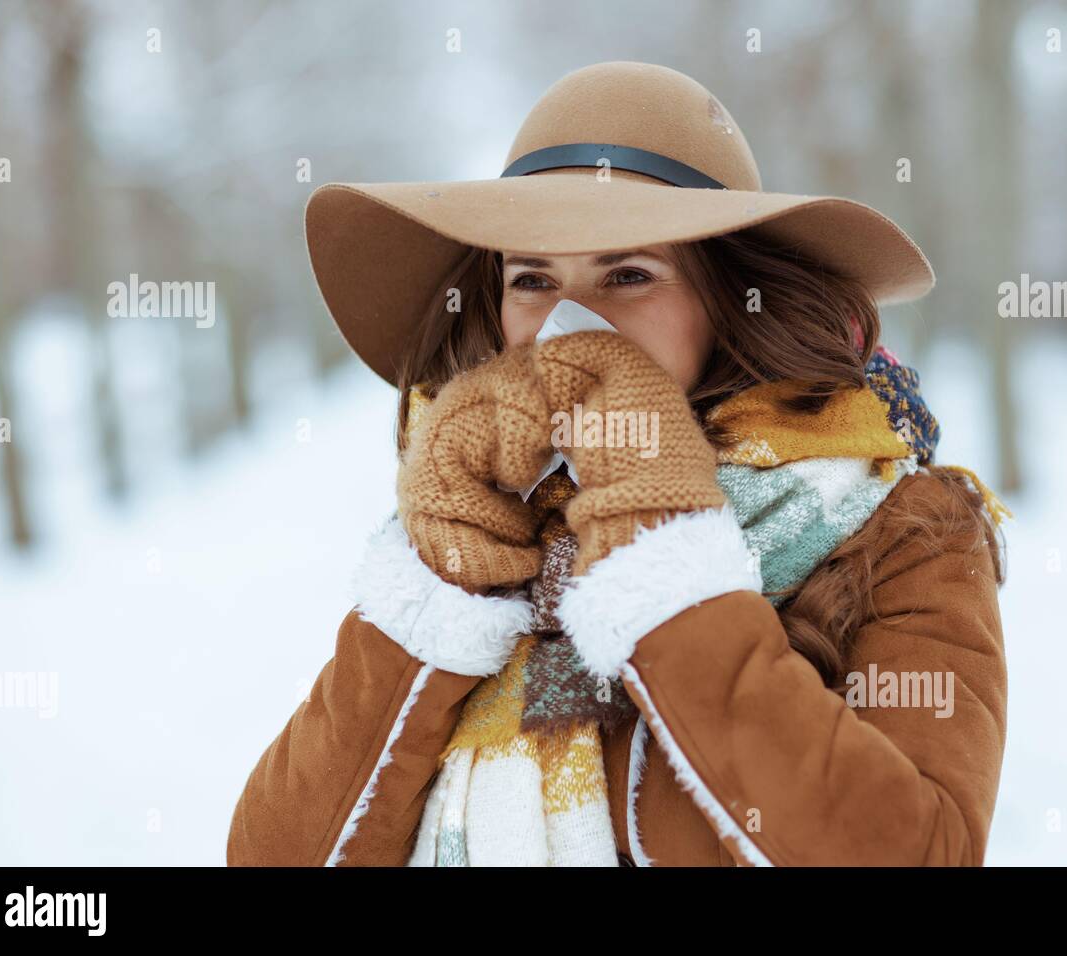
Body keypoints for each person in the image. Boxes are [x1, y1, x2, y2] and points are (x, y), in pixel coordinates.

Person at [227, 60, 1010, 867]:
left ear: (731, 298)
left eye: (628, 275)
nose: (572, 323)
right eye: (532, 279)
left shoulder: (904, 529)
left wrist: (659, 544)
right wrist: (439, 593)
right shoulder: (474, 518)